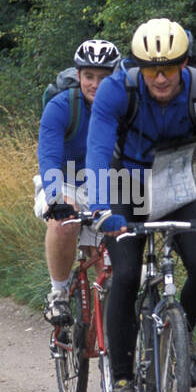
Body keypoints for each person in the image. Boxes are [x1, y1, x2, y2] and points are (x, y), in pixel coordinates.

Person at [84, 18, 196, 392]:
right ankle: (122, 381)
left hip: (176, 183)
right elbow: (99, 150)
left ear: (184, 63)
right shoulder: (116, 89)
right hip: (128, 185)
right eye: (150, 68)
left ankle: (179, 337)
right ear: (137, 66)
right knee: (124, 275)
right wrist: (103, 210)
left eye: (169, 68)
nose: (159, 77)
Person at [36, 39, 121, 324]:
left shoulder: (126, 107)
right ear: (78, 75)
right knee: (62, 224)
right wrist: (58, 198)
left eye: (103, 78)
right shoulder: (62, 107)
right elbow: (48, 159)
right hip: (65, 180)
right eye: (89, 77)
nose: (95, 84)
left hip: (107, 182)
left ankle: (112, 328)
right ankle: (58, 294)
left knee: (113, 250)